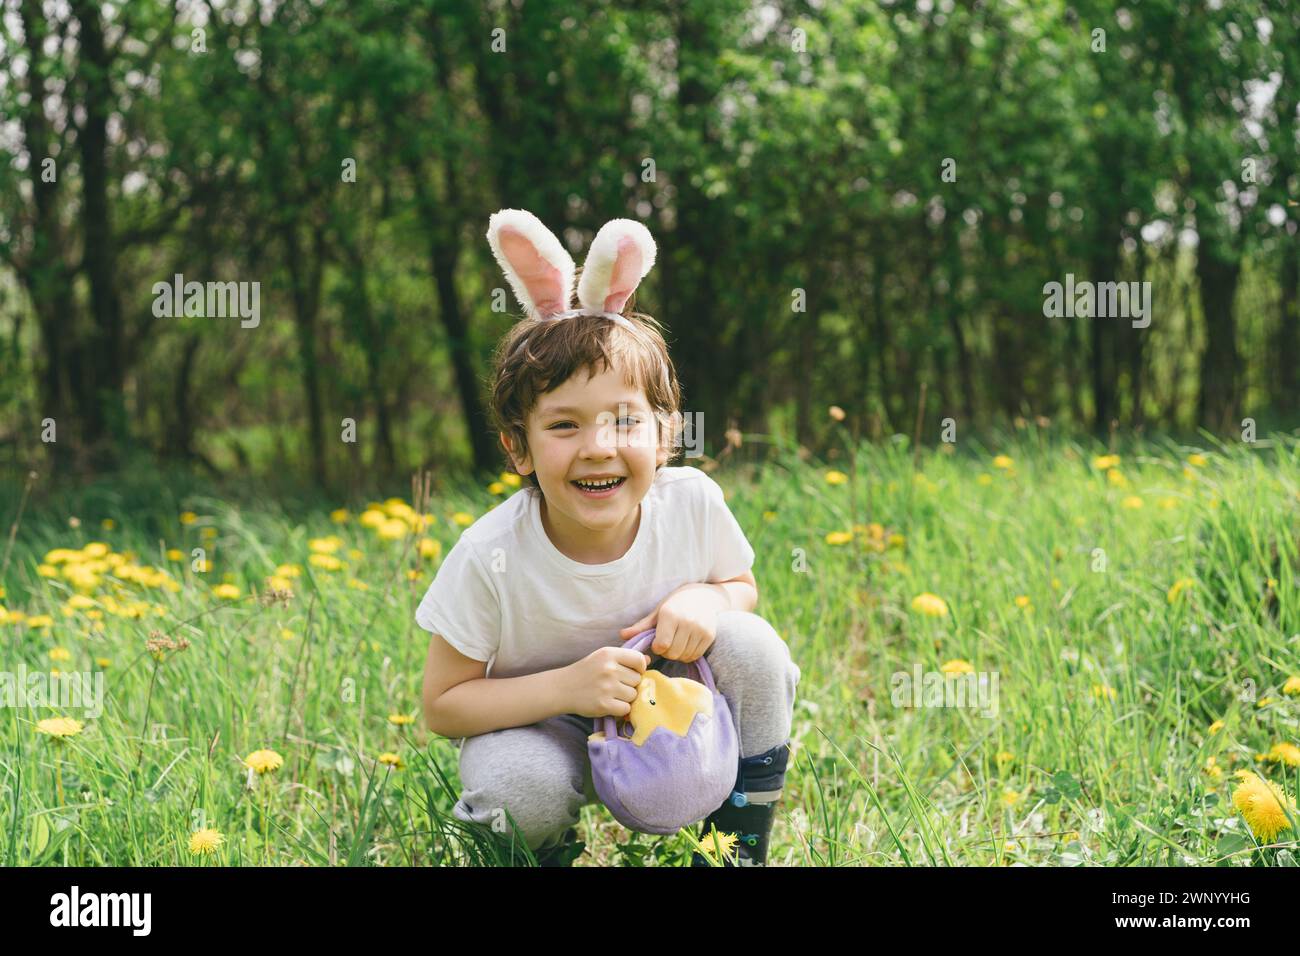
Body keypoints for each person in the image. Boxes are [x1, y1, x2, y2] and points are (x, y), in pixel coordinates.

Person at [417, 209, 800, 866]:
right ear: (518, 448)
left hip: (676, 722)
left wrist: (711, 602)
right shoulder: (490, 556)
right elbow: (444, 704)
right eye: (564, 426)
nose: (598, 449)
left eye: (624, 421)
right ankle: (545, 850)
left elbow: (742, 587)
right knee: (516, 786)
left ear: (664, 434)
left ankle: (738, 848)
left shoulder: (692, 503)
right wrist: (566, 689)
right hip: (546, 737)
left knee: (753, 646)